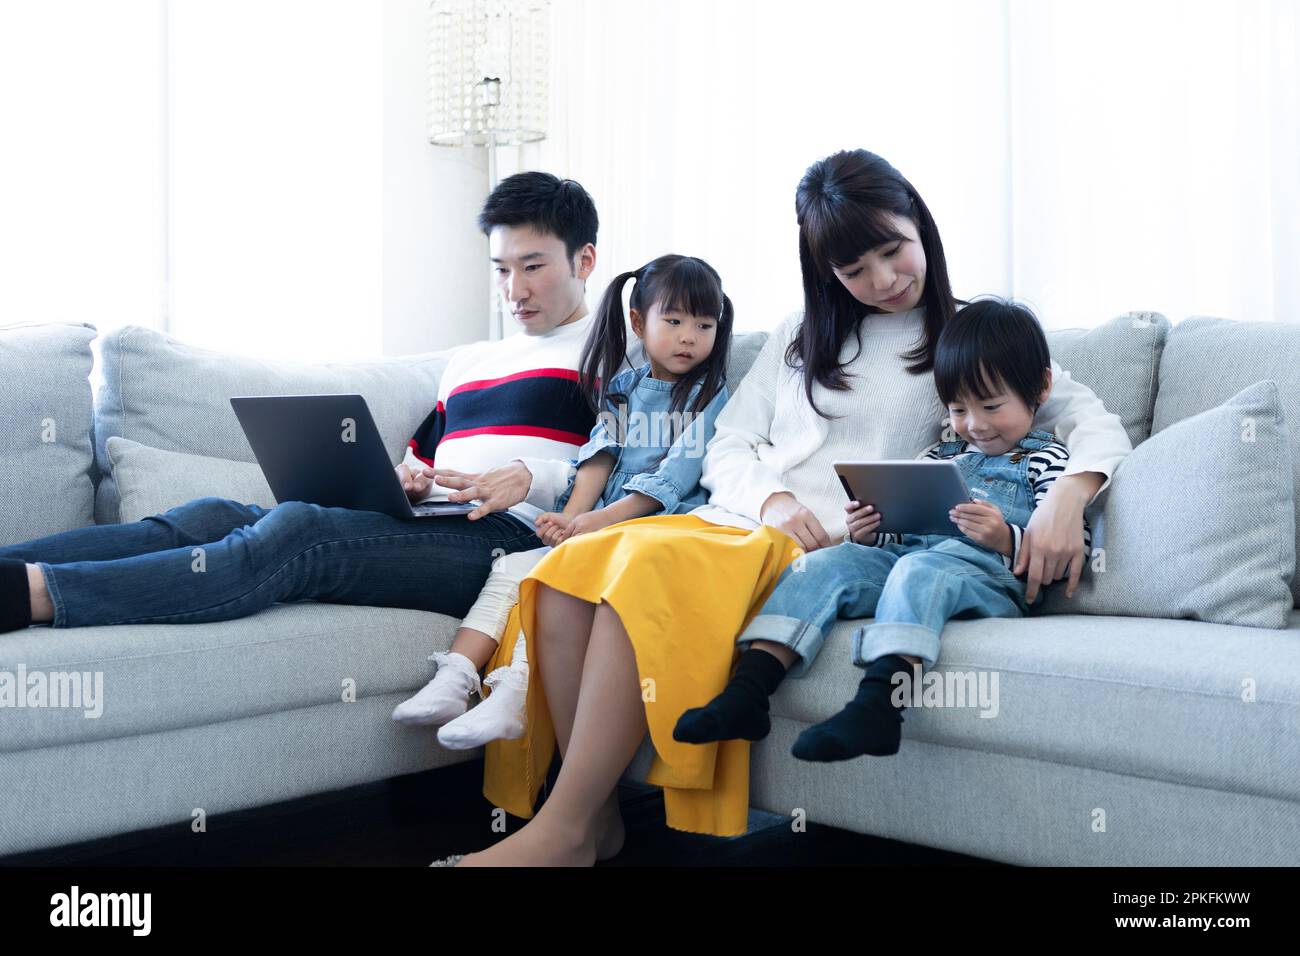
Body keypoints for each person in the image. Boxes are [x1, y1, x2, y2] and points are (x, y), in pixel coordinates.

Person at [438, 148, 1133, 868]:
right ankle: (595, 820)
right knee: (568, 566)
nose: (882, 281)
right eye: (853, 270)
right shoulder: (801, 334)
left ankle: (563, 832)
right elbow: (729, 442)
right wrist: (768, 497)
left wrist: (1067, 498)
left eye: (893, 252)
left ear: (919, 225)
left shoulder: (968, 334)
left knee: (635, 564)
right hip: (743, 518)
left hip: (821, 542)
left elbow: (1090, 421)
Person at [0, 172, 600, 634]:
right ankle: (9, 565)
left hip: (508, 539)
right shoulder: (470, 361)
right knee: (210, 514)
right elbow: (421, 454)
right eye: (500, 269)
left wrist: (534, 476)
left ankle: (31, 596)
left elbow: (643, 473)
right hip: (426, 522)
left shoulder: (613, 354)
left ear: (585, 261)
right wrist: (408, 477)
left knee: (299, 531)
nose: (513, 289)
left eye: (532, 267)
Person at [674, 297, 1092, 761]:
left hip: (988, 579)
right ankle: (748, 691)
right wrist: (870, 531)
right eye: (958, 410)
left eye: (991, 406)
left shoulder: (1047, 459)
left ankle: (878, 708)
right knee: (825, 564)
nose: (975, 425)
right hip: (907, 561)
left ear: (1040, 387)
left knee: (919, 569)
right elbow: (903, 533)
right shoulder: (939, 455)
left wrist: (1003, 537)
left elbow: (1068, 548)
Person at [395, 254, 733, 751]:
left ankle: (515, 691)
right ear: (638, 322)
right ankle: (457, 677)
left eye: (704, 325)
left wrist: (593, 524)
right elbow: (597, 459)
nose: (689, 336)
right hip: (601, 523)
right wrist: (571, 517)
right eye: (675, 320)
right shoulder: (623, 390)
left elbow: (671, 480)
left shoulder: (709, 395)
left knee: (565, 578)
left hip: (657, 525)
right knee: (514, 567)